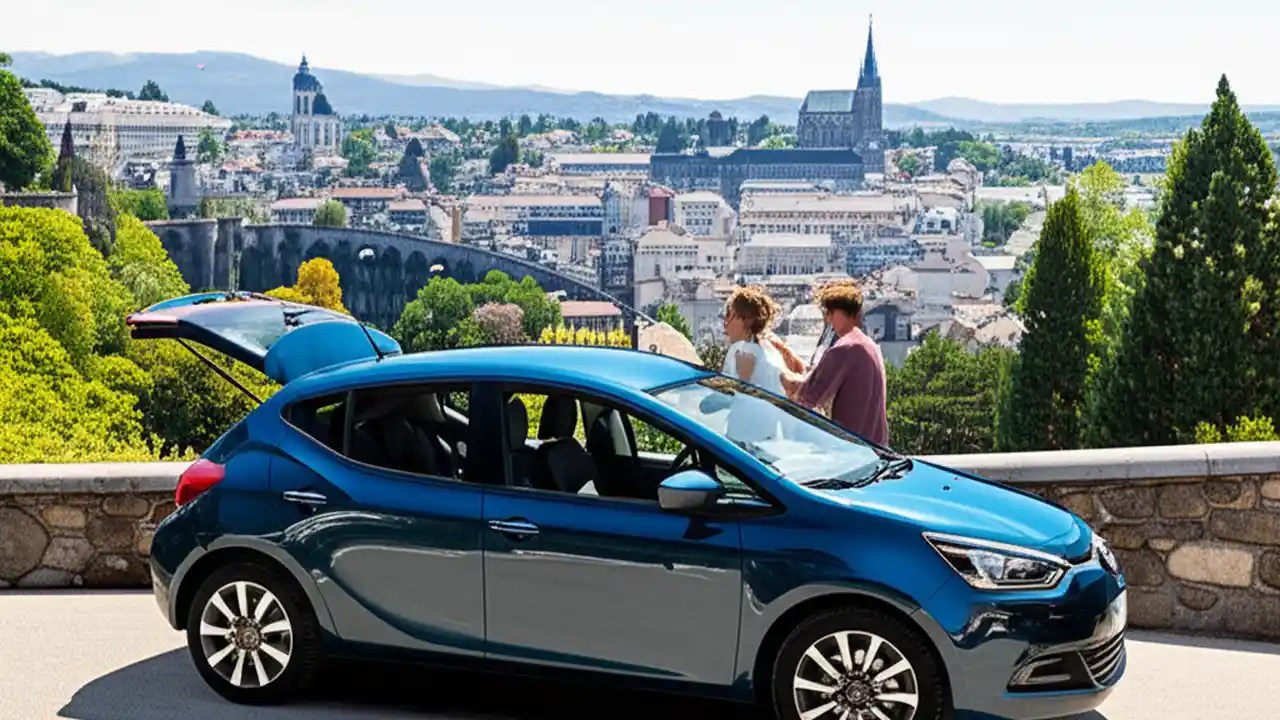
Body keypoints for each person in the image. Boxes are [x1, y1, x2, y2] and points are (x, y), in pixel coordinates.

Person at [771, 281, 889, 446]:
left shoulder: (845, 348)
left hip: (852, 447)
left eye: (830, 312)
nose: (828, 318)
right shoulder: (869, 345)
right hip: (876, 445)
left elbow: (807, 395)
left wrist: (777, 373)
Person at [719, 286, 787, 443]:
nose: (725, 323)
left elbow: (739, 394)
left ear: (746, 320)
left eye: (730, 315)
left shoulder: (742, 350)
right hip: (768, 439)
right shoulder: (769, 349)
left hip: (746, 441)